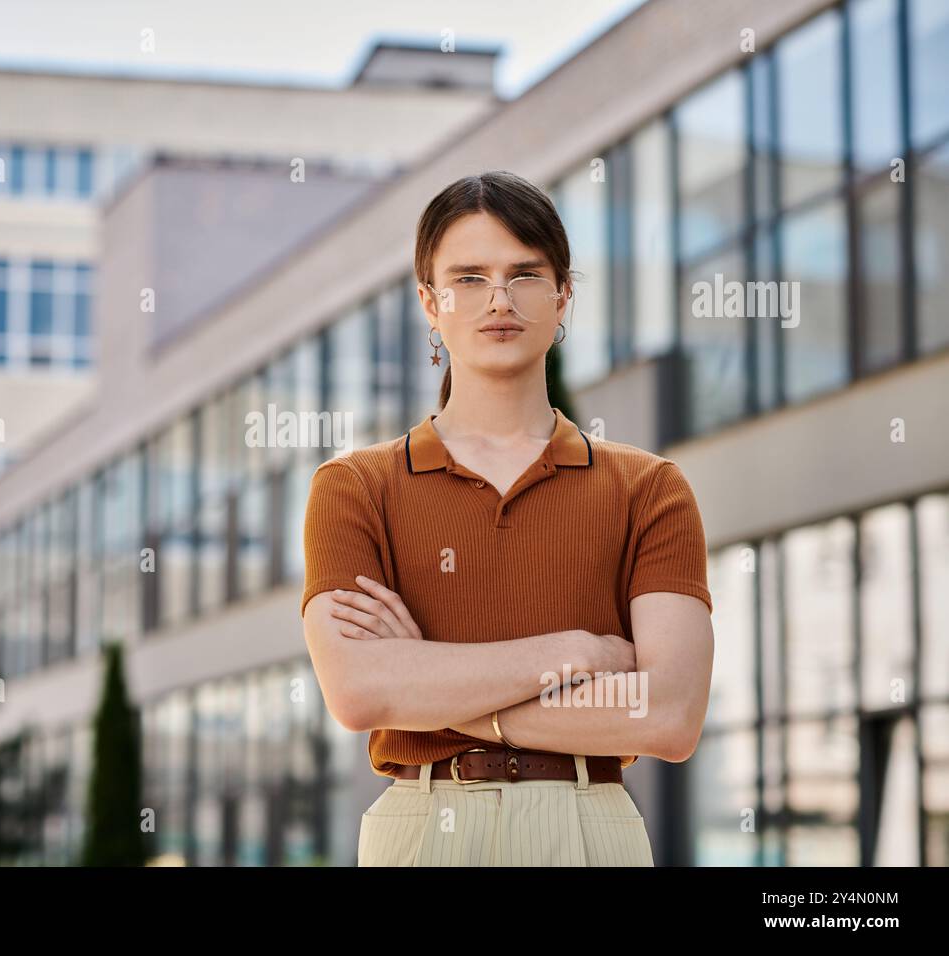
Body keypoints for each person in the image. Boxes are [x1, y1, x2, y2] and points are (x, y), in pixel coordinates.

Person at [299, 171, 714, 866]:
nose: (498, 299)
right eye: (468, 278)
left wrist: (429, 686)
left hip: (589, 829)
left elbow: (669, 718)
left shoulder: (650, 489)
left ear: (562, 298)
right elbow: (360, 692)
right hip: (421, 828)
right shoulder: (353, 488)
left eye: (524, 274)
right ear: (430, 304)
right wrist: (577, 654)